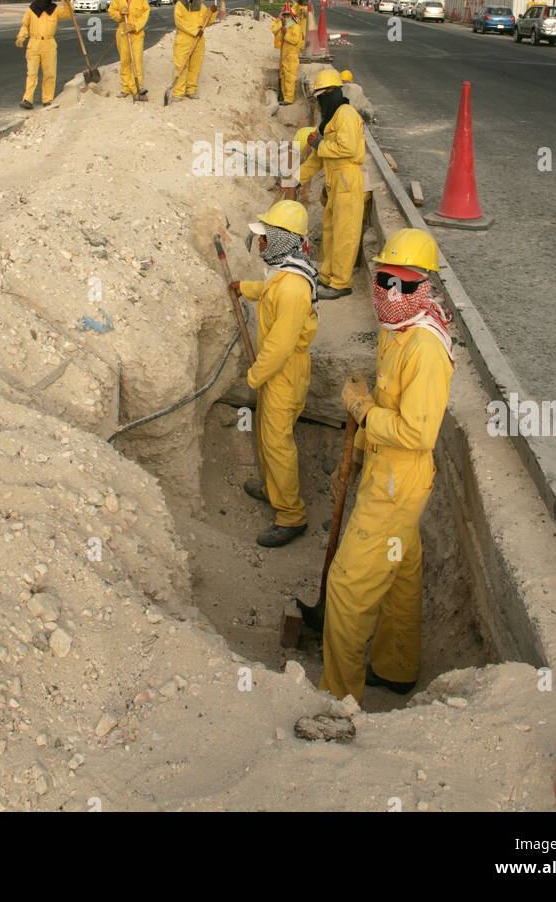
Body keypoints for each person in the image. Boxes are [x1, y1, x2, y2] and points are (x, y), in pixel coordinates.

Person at [320, 228, 454, 704]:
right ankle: (396, 668)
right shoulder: (395, 329)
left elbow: (418, 434)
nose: (392, 293)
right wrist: (354, 457)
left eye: (405, 285)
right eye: (384, 280)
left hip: (399, 483)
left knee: (346, 588)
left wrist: (362, 412)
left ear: (427, 287)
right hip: (386, 472)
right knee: (401, 570)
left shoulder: (424, 348)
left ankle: (336, 699)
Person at [228, 201, 319, 548]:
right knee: (268, 435)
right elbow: (269, 294)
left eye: (266, 239)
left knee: (278, 443)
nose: (261, 244)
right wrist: (244, 288)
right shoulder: (283, 272)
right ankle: (272, 487)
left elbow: (279, 347)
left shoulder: (293, 286)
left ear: (282, 240)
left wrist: (254, 376)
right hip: (276, 374)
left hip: (283, 374)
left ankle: (291, 515)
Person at [302, 68, 365, 300]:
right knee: (330, 230)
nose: (319, 103)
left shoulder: (345, 115)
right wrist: (295, 178)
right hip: (335, 181)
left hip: (347, 178)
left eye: (320, 97)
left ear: (330, 93)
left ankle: (340, 282)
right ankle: (327, 275)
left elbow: (347, 149)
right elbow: (318, 159)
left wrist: (319, 143)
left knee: (344, 233)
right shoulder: (331, 118)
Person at [15, 0, 74, 109]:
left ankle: (47, 99)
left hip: (49, 44)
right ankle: (27, 99)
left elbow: (69, 13)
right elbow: (25, 25)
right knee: (32, 73)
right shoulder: (31, 10)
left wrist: (66, 1)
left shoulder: (55, 9)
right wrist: (21, 36)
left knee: (50, 74)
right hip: (34, 44)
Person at [171, 0, 217, 100]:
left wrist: (213, 13)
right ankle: (178, 93)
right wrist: (194, 31)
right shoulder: (180, 5)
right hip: (183, 40)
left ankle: (191, 90)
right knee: (181, 66)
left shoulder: (201, 7)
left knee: (195, 66)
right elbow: (179, 22)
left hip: (198, 41)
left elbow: (206, 22)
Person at [108, 0, 150, 96]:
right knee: (125, 61)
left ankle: (137, 88)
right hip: (122, 32)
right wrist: (120, 15)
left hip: (137, 34)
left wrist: (135, 26)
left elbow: (145, 14)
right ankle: (126, 88)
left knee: (137, 61)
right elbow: (111, 11)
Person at [271, 3, 302, 105]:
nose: (285, 17)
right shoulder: (285, 27)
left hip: (292, 57)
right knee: (283, 76)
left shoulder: (296, 27)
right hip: (284, 57)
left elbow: (295, 41)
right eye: (284, 15)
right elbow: (278, 36)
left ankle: (289, 99)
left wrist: (286, 34)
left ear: (291, 16)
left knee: (289, 78)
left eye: (287, 15)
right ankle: (284, 97)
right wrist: (281, 26)